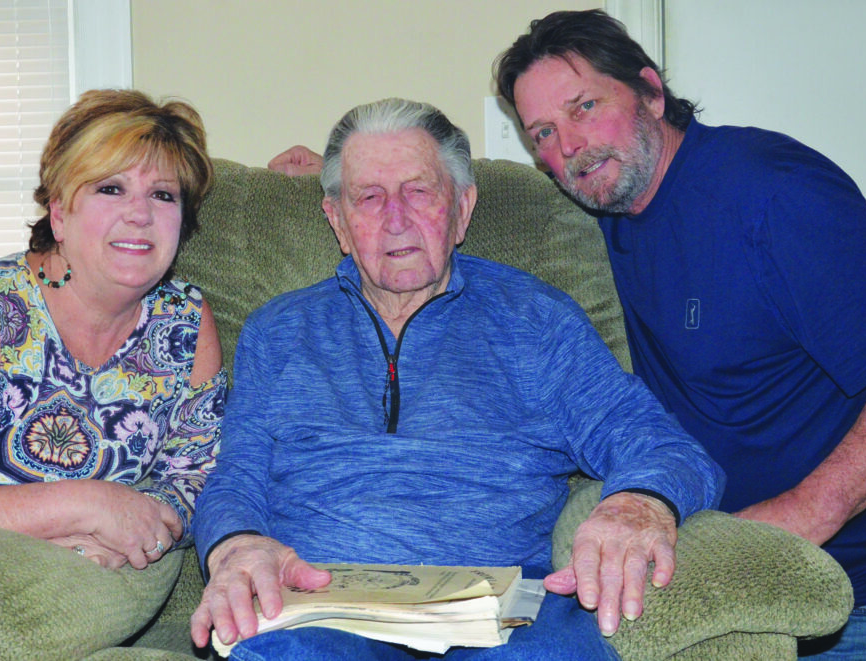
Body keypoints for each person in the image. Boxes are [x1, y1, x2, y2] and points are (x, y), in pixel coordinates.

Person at [192, 97, 724, 660]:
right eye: (369, 198)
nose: (395, 218)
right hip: (323, 611)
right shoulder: (278, 330)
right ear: (338, 222)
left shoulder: (536, 321)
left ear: (463, 208)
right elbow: (236, 476)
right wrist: (236, 544)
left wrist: (637, 505)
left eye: (419, 192)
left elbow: (665, 446)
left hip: (497, 619)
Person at [490, 9, 866, 660]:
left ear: (651, 92)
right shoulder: (596, 216)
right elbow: (456, 206)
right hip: (723, 583)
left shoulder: (771, 193)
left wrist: (803, 514)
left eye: (584, 107)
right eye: (543, 132)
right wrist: (331, 176)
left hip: (858, 602)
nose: (567, 146)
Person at [0, 89, 227, 646]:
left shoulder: (186, 324)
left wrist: (142, 528)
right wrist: (89, 506)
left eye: (163, 195)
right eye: (110, 188)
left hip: (90, 599)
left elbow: (197, 477)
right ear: (59, 212)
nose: (140, 214)